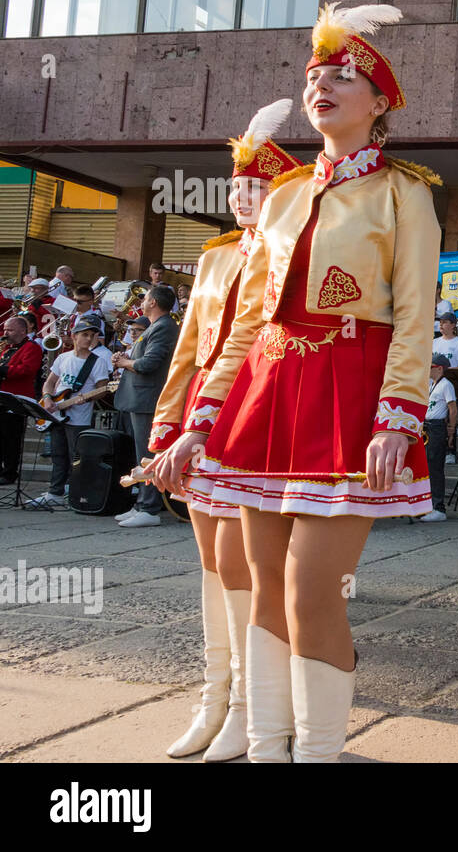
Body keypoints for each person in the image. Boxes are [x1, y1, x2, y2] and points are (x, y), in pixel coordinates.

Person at [151, 1, 442, 763]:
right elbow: (247, 324)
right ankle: (266, 739)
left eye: (344, 76)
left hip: (348, 396)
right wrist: (201, 416)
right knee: (263, 584)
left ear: (379, 104)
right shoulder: (280, 197)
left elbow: (415, 314)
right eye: (315, 75)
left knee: (313, 588)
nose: (324, 86)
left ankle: (315, 749)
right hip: (266, 393)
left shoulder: (405, 193)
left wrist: (399, 413)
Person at [147, 99, 299, 761]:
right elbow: (189, 349)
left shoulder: (292, 254)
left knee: (246, 567)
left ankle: (251, 706)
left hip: (250, 420)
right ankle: (214, 698)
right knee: (210, 562)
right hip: (197, 422)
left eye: (257, 186)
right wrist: (166, 424)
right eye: (237, 185)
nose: (243, 196)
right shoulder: (212, 257)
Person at [112, 288, 180, 526]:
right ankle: (141, 503)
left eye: (145, 298)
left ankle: (149, 509)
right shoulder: (154, 326)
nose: (142, 302)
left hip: (148, 399)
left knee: (147, 455)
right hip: (139, 398)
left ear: (152, 302)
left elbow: (149, 363)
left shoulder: (164, 326)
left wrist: (124, 362)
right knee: (142, 453)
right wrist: (126, 359)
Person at [30, 319, 113, 508]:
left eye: (92, 335)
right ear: (74, 336)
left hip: (79, 416)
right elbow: (50, 382)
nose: (89, 339)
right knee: (58, 454)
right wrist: (48, 397)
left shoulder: (97, 362)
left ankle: (74, 492)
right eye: (85, 335)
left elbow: (103, 389)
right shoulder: (63, 358)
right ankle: (55, 491)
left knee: (76, 456)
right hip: (56, 411)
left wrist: (88, 398)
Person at [0, 317, 43, 485]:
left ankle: (10, 473)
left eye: (9, 330)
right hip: (2, 396)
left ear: (22, 331)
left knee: (11, 438)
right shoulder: (7, 348)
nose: (5, 333)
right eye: (5, 330)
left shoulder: (32, 348)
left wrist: (2, 370)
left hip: (16, 399)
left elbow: (27, 370)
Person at [421, 353, 458, 522]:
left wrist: (451, 430)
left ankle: (438, 507)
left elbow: (452, 409)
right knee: (428, 466)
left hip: (437, 427)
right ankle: (428, 504)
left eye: (431, 367)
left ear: (439, 368)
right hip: (428, 426)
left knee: (435, 467)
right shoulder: (432, 384)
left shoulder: (446, 385)